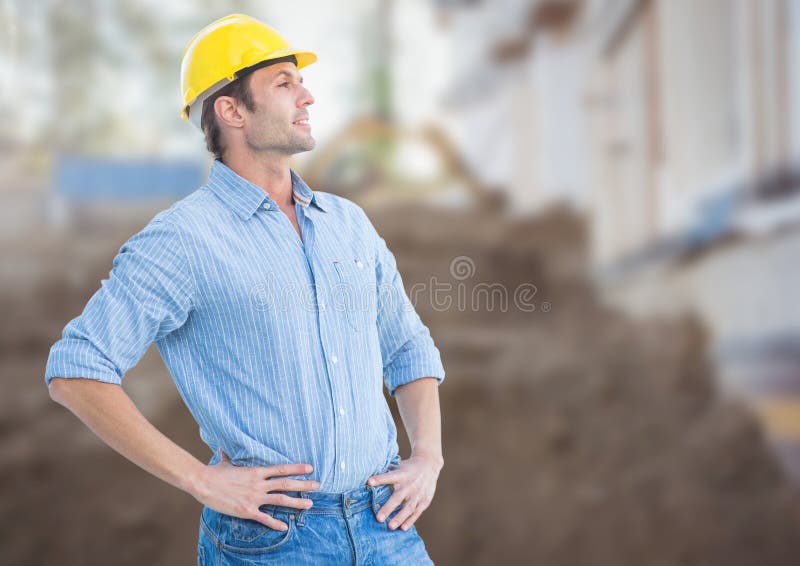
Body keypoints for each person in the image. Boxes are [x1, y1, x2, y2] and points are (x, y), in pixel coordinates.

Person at [45, 13, 445, 565]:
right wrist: (199, 480)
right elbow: (77, 368)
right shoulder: (182, 239)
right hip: (272, 540)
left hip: (387, 527)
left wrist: (427, 456)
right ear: (231, 111)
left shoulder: (348, 223)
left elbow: (406, 347)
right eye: (284, 83)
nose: (307, 96)